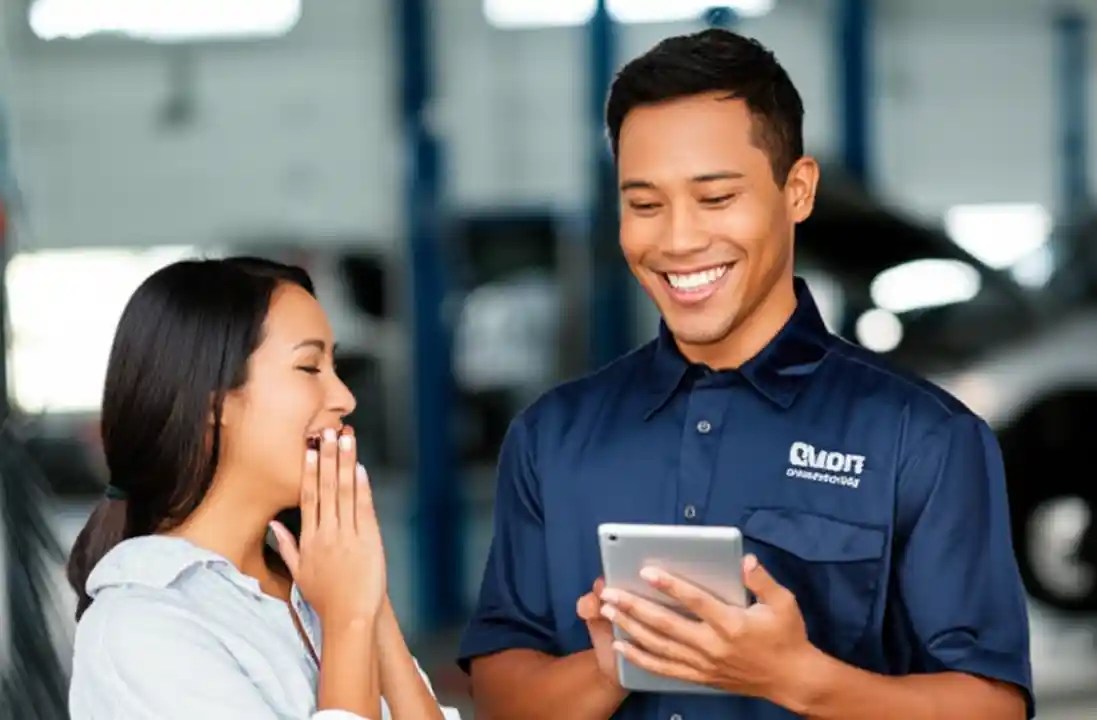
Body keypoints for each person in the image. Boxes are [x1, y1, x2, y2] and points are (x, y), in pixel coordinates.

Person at [458, 28, 1034, 720]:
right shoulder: (551, 438)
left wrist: (797, 677)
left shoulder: (925, 439)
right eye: (644, 205)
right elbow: (500, 686)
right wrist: (620, 660)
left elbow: (990, 705)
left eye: (716, 198)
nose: (676, 240)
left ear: (798, 190)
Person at [65, 257, 459, 720]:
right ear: (214, 403)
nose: (344, 399)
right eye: (310, 367)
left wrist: (369, 602)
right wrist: (349, 619)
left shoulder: (317, 590)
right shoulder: (137, 628)